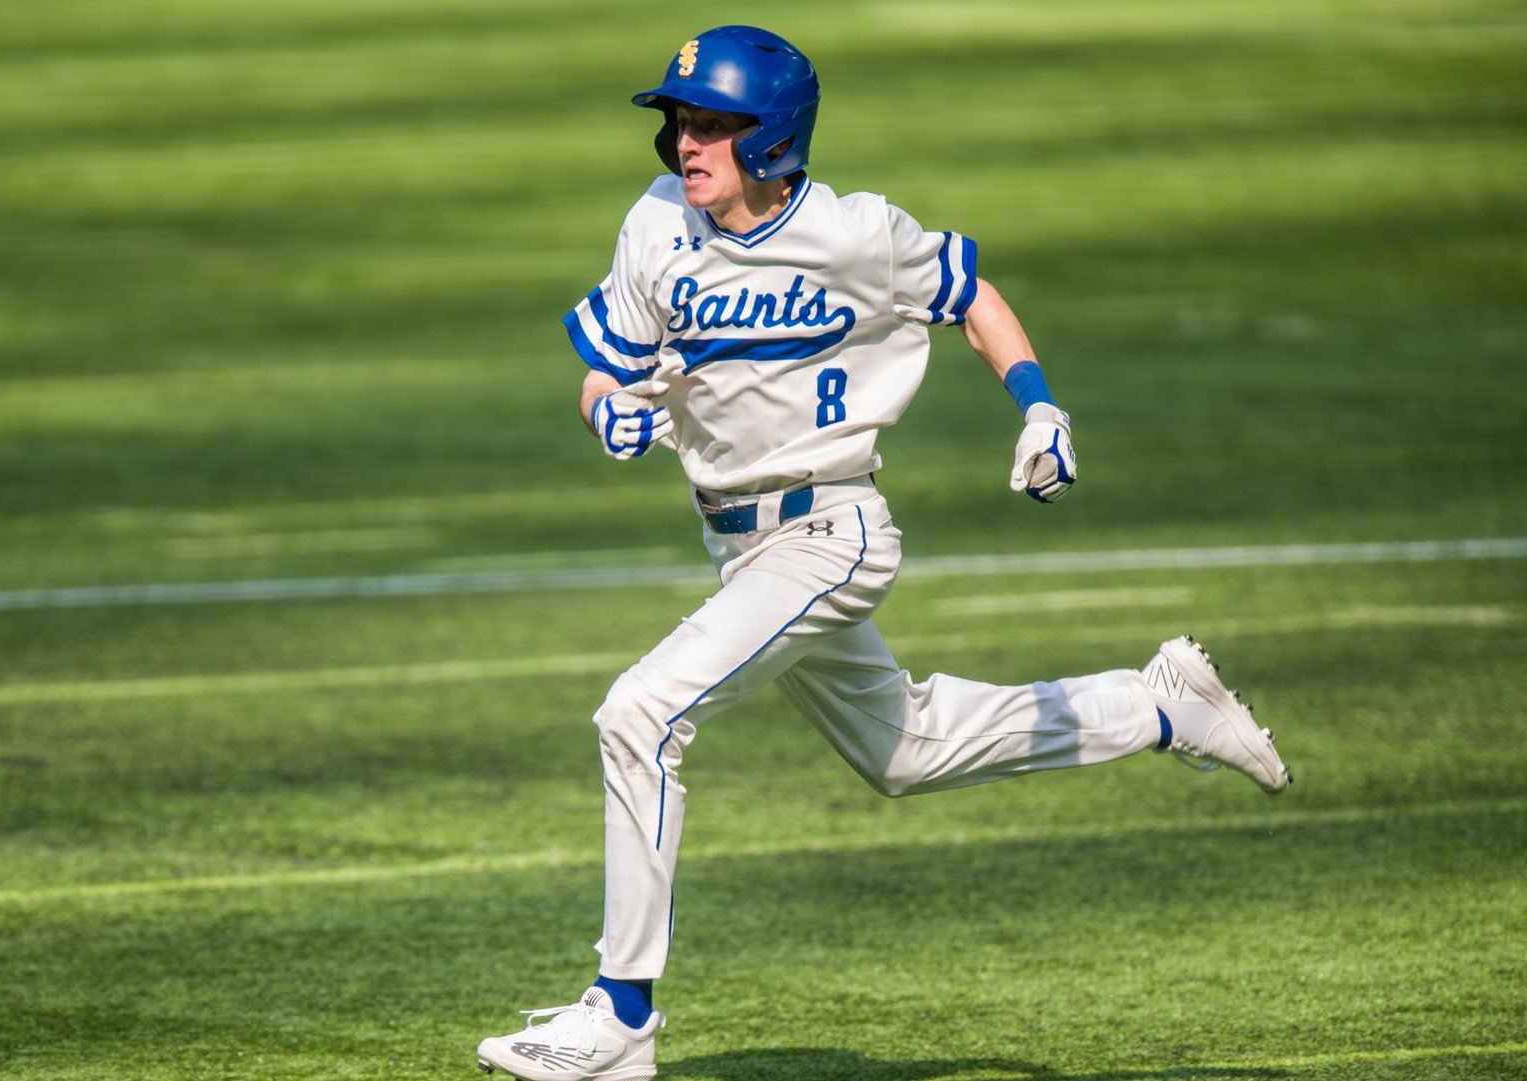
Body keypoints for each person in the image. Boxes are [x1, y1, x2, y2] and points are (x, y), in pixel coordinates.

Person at [475, 25, 1291, 1081]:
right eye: (680, 121)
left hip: (832, 534)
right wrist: (606, 416)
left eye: (713, 124)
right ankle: (1165, 705)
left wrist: (1040, 408)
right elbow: (605, 372)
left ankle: (620, 1016)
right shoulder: (653, 229)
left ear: (772, 139)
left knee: (641, 708)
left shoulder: (859, 233)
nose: (687, 142)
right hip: (740, 547)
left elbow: (971, 299)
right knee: (906, 752)